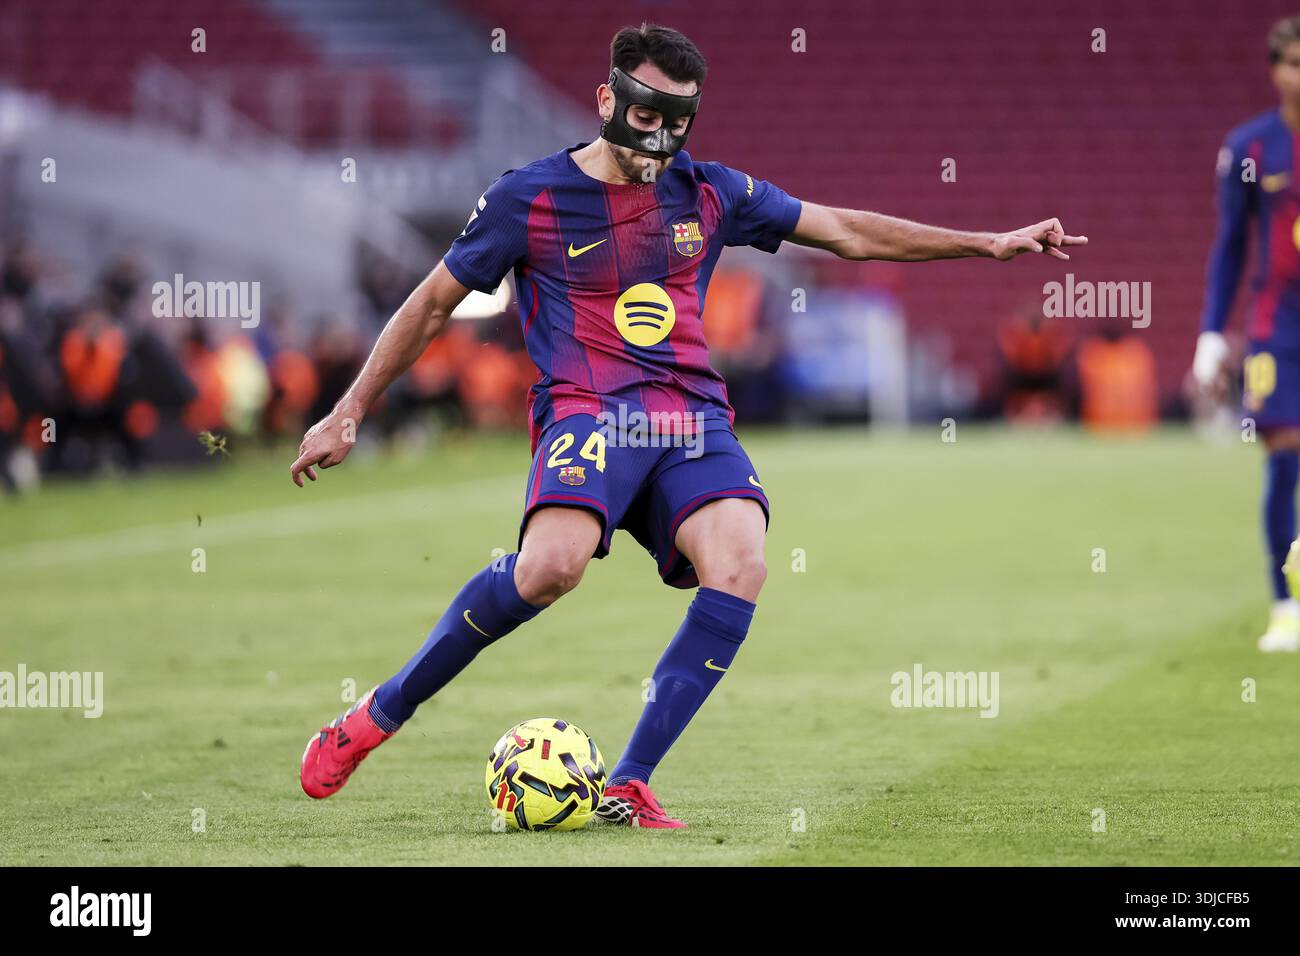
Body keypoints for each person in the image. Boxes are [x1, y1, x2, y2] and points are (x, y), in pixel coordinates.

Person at [293, 23, 1086, 826]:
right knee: (549, 570)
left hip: (691, 419)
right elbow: (433, 302)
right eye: (645, 114)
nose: (660, 136)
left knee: (741, 563)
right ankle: (377, 716)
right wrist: (350, 408)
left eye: (678, 119)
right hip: (588, 411)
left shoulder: (710, 192)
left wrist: (985, 243)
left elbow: (844, 230)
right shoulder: (524, 198)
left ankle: (629, 783)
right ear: (608, 99)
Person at [1193, 15, 1300, 652]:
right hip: (1276, 324)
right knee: (1284, 447)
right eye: (1292, 62)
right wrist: (1211, 331)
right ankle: (1285, 603)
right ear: (1274, 69)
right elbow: (1230, 247)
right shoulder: (1250, 149)